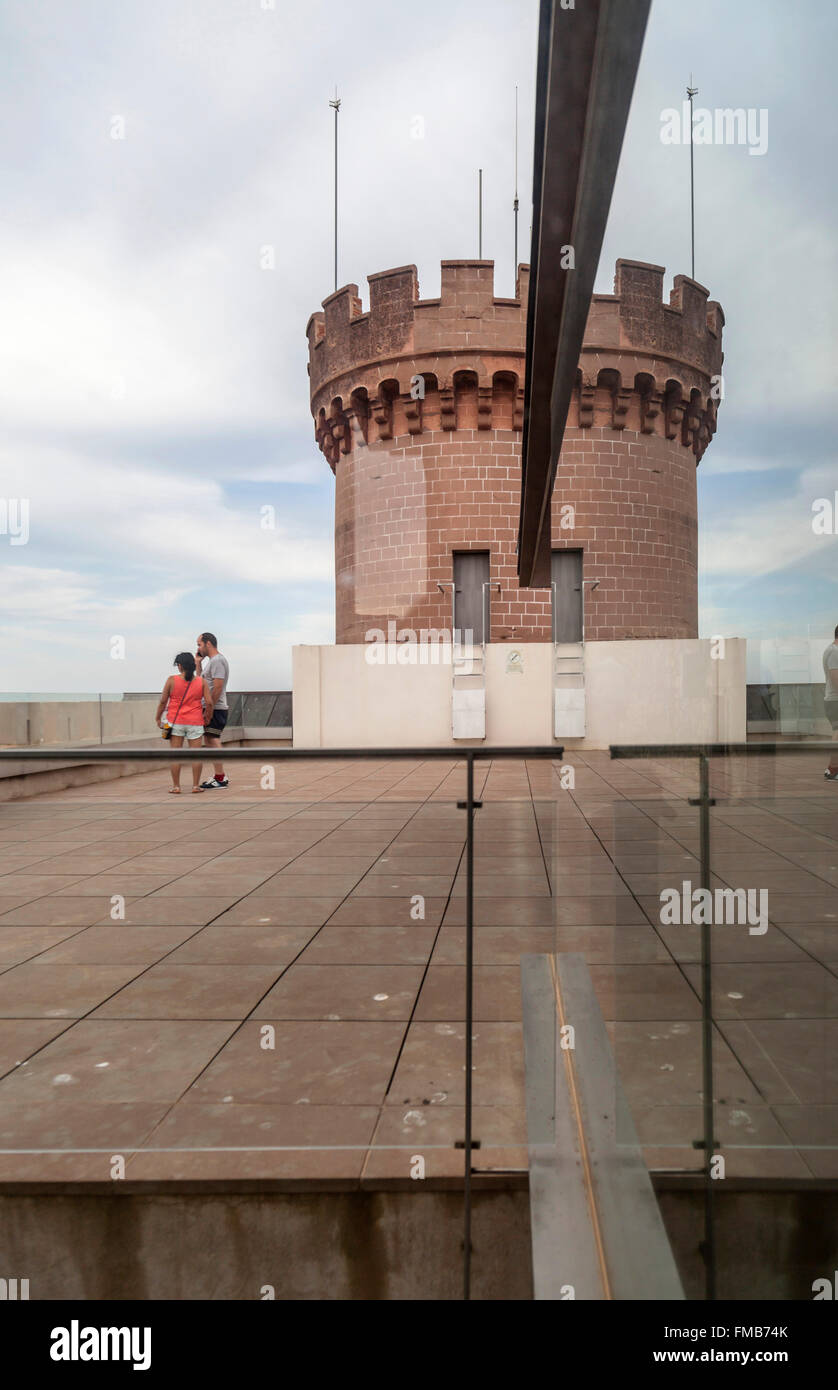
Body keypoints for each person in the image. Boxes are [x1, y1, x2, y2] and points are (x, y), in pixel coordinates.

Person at [155, 653, 213, 794]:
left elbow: (163, 701)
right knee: (196, 755)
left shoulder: (171, 680)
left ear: (180, 666)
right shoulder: (201, 682)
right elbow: (209, 703)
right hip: (195, 721)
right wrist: (207, 717)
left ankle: (176, 786)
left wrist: (158, 718)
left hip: (175, 722)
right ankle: (195, 786)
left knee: (176, 755)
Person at [196, 632, 230, 789]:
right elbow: (201, 683)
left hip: (215, 708)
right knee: (210, 740)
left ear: (208, 644)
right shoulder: (212, 662)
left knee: (213, 739)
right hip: (211, 707)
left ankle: (221, 778)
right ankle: (219, 776)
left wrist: (209, 709)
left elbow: (217, 687)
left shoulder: (217, 661)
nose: (198, 648)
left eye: (199, 644)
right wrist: (198, 663)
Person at [823, 625, 838, 781]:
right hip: (835, 700)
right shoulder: (834, 652)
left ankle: (832, 768)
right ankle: (833, 769)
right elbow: (836, 679)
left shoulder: (832, 650)